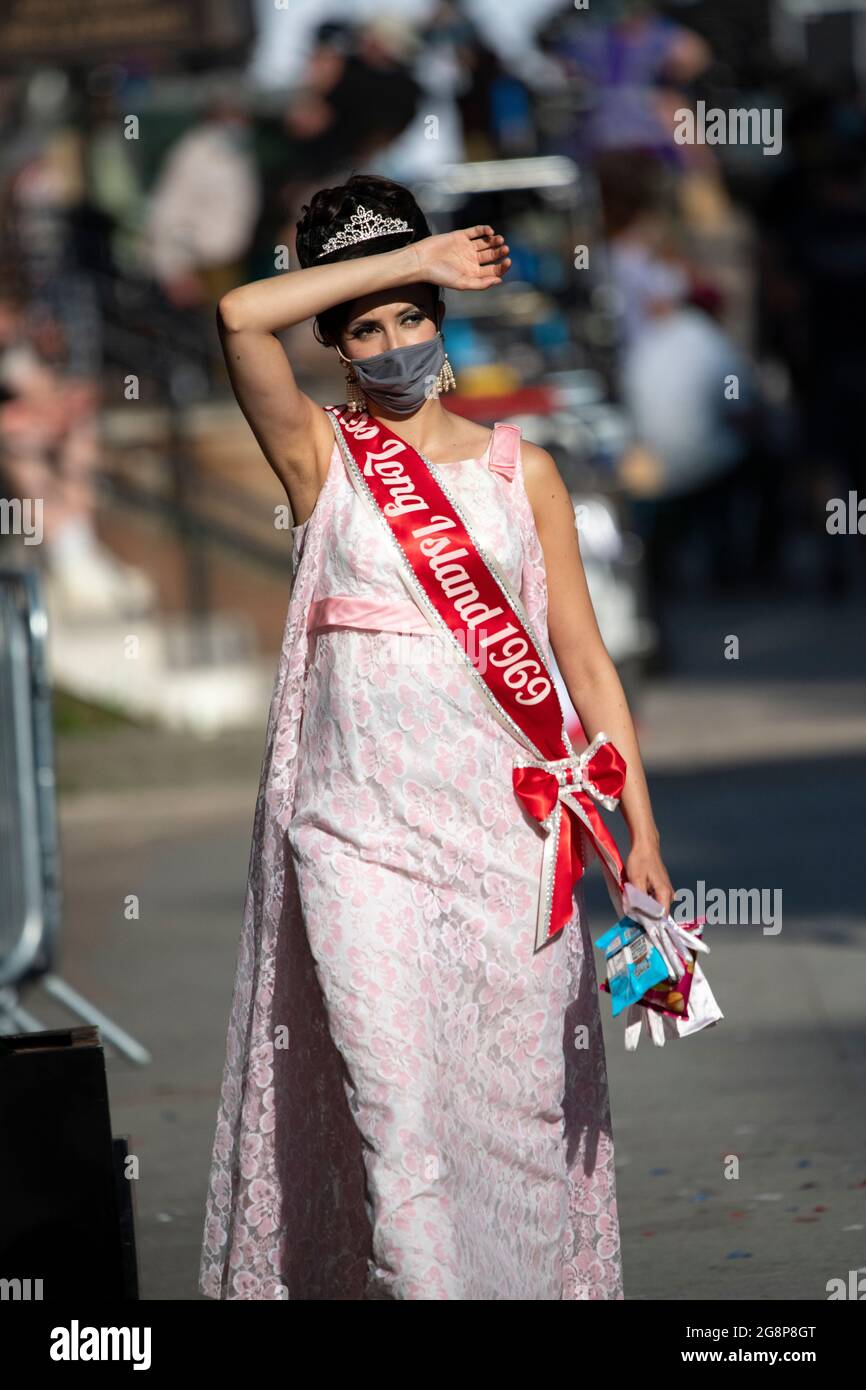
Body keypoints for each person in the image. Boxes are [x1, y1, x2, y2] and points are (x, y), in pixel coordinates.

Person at [198, 173, 673, 1301]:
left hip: (506, 850)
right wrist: (414, 259)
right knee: (394, 1116)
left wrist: (640, 831)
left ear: (443, 328)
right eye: (367, 326)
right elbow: (235, 317)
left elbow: (585, 665)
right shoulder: (324, 458)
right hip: (356, 842)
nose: (396, 338)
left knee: (510, 1122)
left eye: (413, 316)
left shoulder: (525, 474)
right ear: (338, 344)